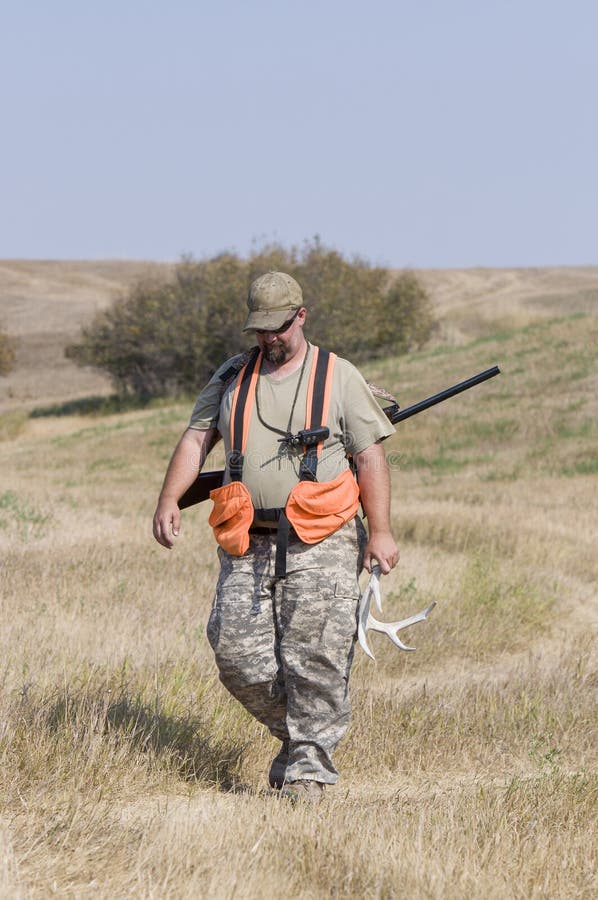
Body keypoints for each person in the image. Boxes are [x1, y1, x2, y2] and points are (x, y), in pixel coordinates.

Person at [153, 271, 399, 803]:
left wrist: (379, 531)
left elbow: (369, 455)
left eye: (278, 328)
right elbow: (197, 438)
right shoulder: (230, 377)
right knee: (237, 655)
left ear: (301, 317)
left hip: (324, 535)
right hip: (248, 536)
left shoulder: (338, 376)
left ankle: (310, 770)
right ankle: (297, 743)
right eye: (259, 330)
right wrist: (169, 498)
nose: (269, 339)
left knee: (316, 655)